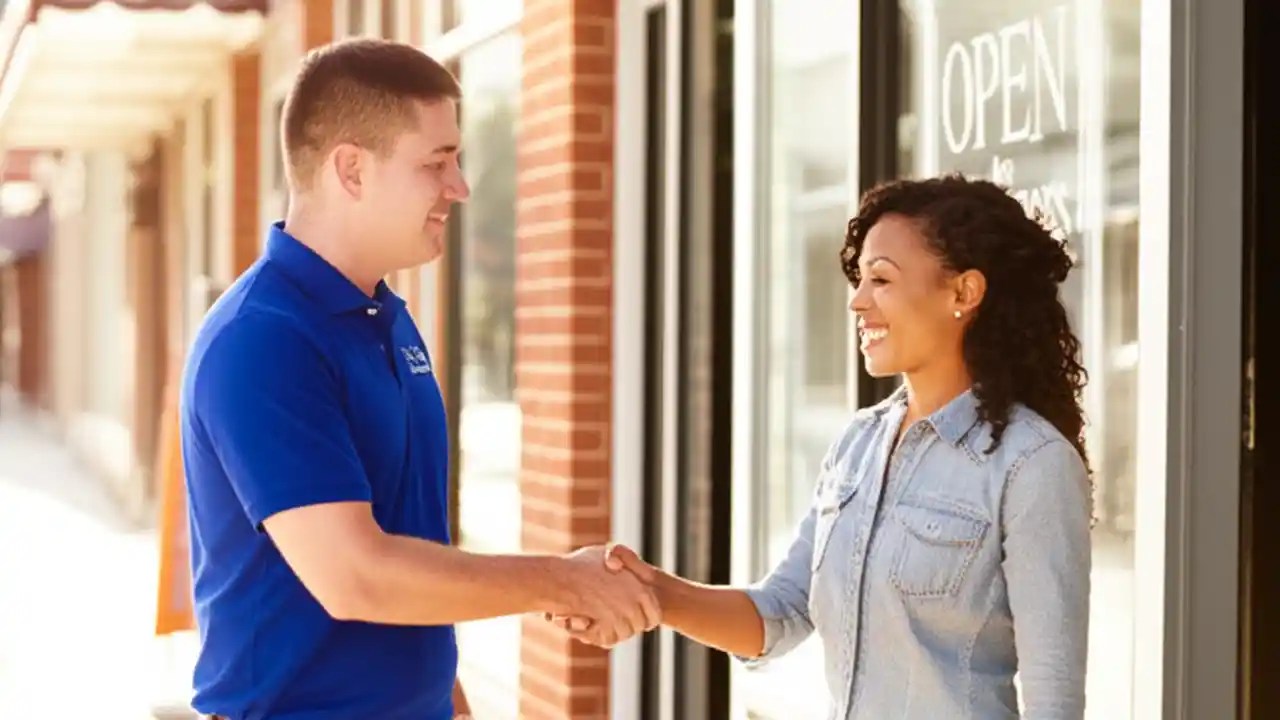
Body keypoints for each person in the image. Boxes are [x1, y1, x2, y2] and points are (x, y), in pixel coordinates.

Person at [179, 38, 659, 720]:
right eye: (436, 162)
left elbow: (409, 556)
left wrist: (451, 703)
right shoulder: (262, 341)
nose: (460, 187)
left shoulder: (386, 321)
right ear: (351, 169)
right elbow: (356, 577)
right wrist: (563, 583)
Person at [556, 175, 1094, 719]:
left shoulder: (1033, 463)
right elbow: (781, 612)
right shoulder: (858, 444)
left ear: (963, 292)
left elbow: (1055, 700)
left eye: (880, 279)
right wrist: (653, 594)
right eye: (859, 280)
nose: (858, 302)